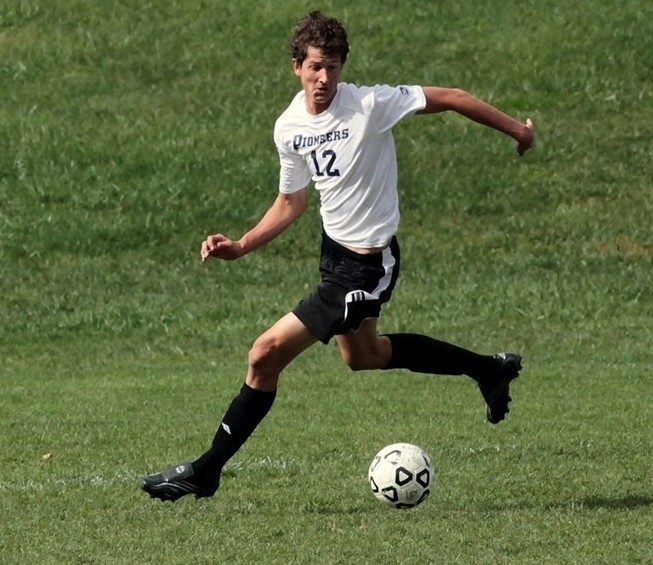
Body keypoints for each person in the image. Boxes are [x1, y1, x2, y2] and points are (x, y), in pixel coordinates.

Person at [141, 11, 535, 501]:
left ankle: (205, 471)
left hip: (368, 267)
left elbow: (452, 98)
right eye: (315, 67)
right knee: (365, 356)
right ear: (296, 67)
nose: (324, 78)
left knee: (263, 355)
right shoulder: (290, 127)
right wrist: (241, 245)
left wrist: (517, 130)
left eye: (333, 67)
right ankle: (488, 369)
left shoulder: (370, 104)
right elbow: (291, 203)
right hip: (333, 257)